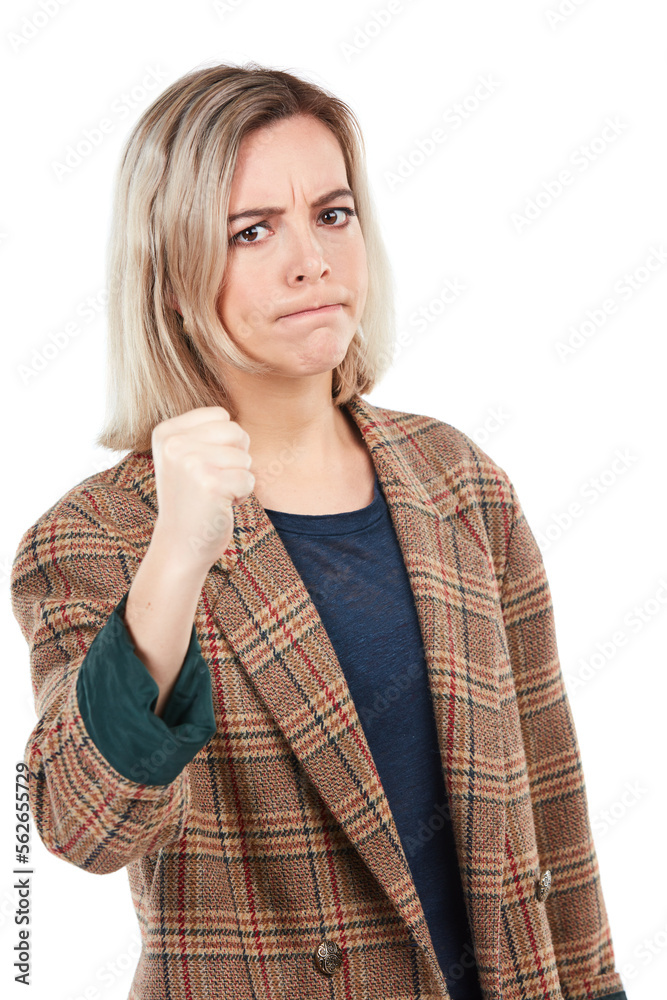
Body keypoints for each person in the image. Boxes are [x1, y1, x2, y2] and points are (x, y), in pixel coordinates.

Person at [10, 62, 628, 1000]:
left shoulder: (458, 482)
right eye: (251, 231)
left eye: (331, 215)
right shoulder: (93, 536)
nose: (313, 260)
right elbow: (78, 826)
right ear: (171, 278)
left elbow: (550, 805)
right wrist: (176, 553)